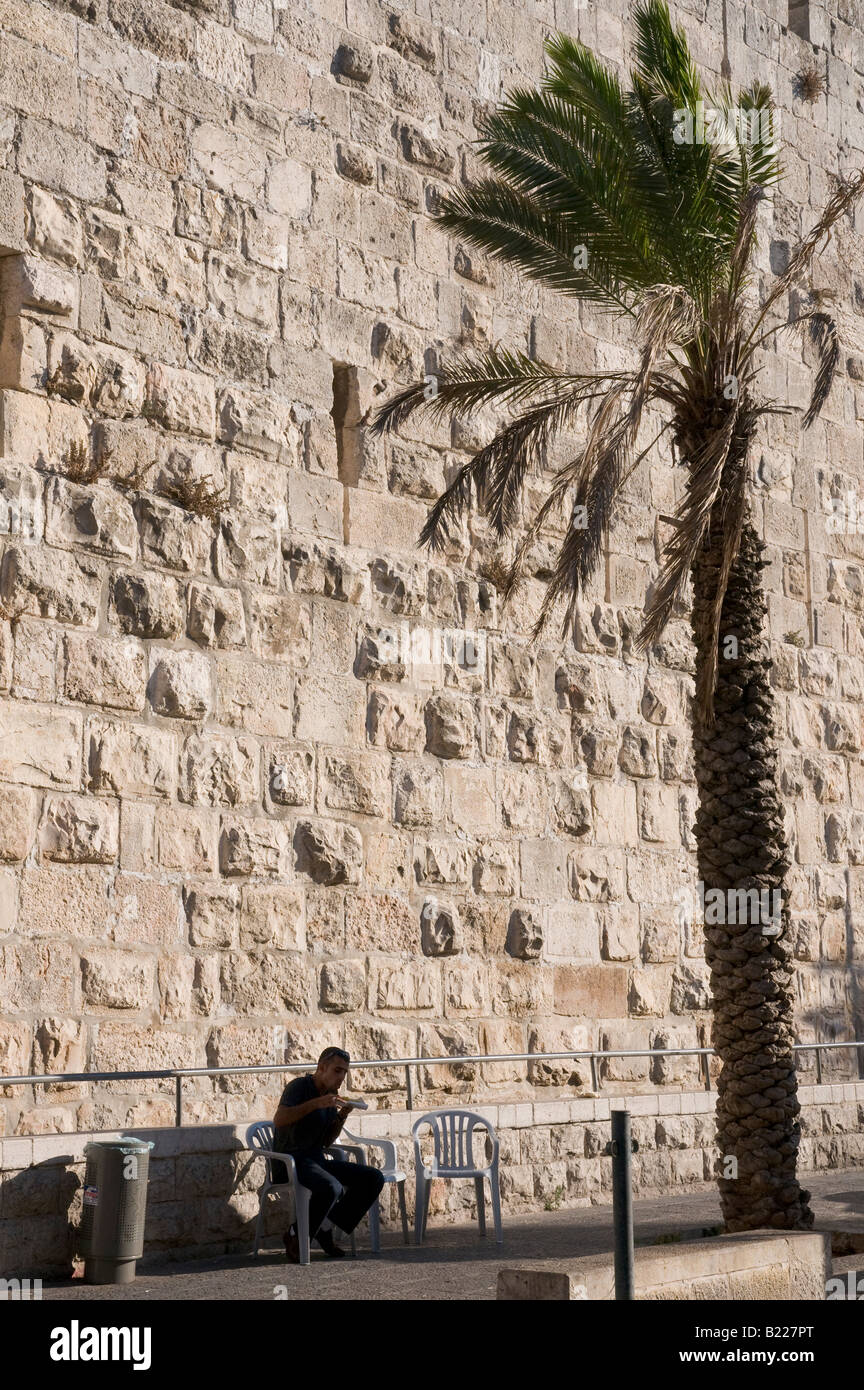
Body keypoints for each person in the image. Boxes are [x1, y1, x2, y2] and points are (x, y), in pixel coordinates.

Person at [272, 1046, 384, 1262]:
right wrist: (316, 1104)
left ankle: (324, 1226)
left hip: (315, 1159)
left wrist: (342, 1115)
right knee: (331, 1187)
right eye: (337, 1070)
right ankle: (296, 1236)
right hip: (291, 1161)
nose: (341, 1077)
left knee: (373, 1178)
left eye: (344, 1072)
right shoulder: (299, 1087)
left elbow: (325, 1141)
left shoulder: (331, 1095)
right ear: (321, 1067)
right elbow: (279, 1119)